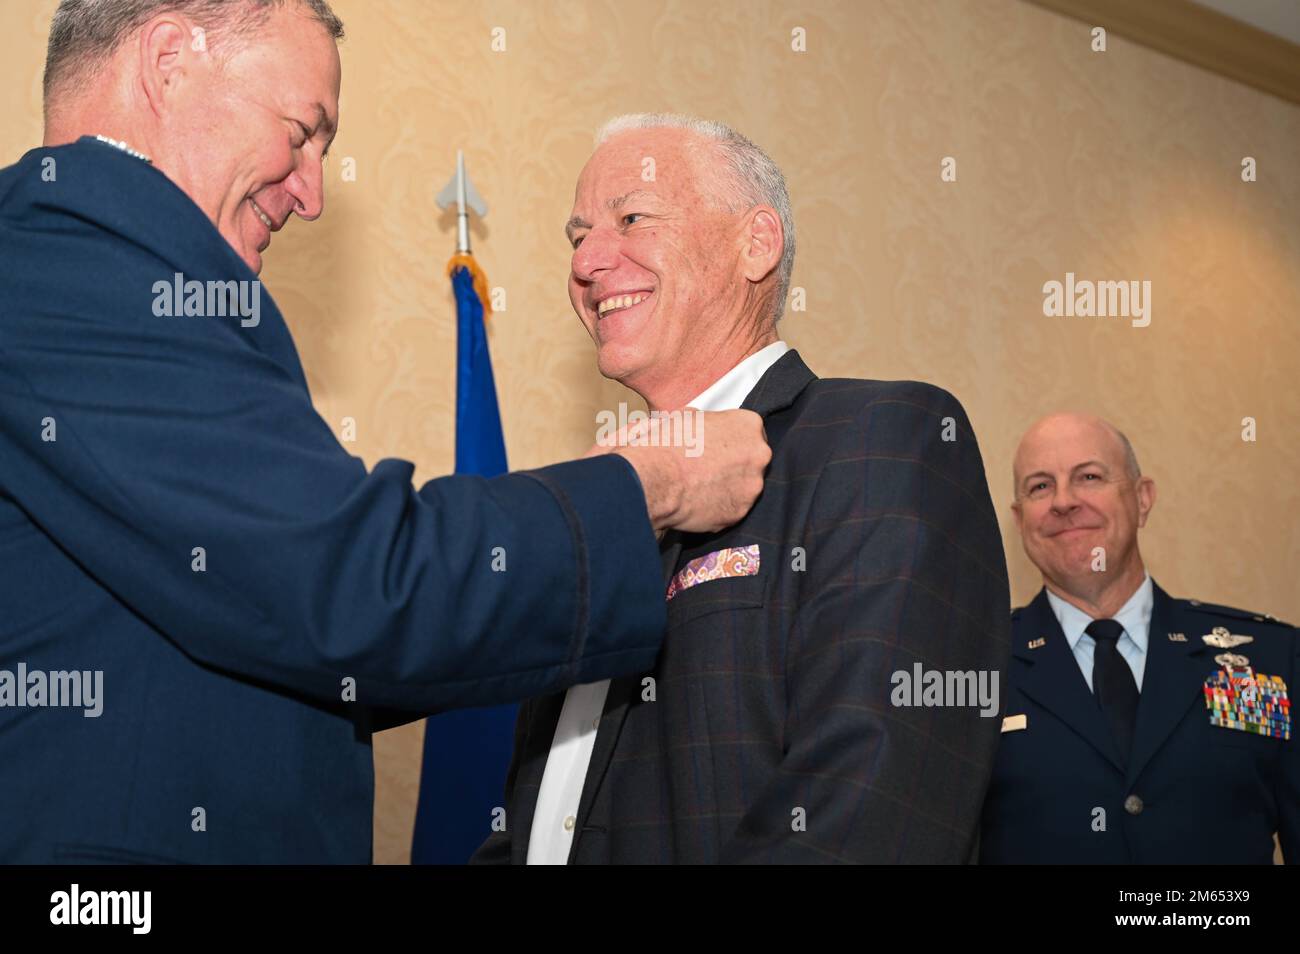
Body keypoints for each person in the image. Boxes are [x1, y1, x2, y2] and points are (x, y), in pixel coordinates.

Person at [0, 1, 770, 863]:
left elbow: (275, 622)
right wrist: (647, 485)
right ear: (169, 60)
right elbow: (350, 580)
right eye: (301, 133)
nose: (312, 194)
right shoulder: (76, 250)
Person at [472, 114, 1011, 865]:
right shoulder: (606, 499)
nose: (588, 261)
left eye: (632, 217)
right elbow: (542, 809)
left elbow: (867, 814)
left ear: (755, 244)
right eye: (576, 236)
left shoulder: (879, 439)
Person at [981, 412, 1298, 864]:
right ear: (1019, 519)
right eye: (1040, 486)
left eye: (1089, 476)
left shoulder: (1269, 659)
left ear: (1143, 498)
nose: (1064, 501)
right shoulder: (977, 669)